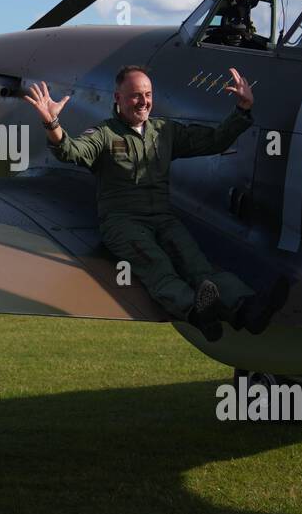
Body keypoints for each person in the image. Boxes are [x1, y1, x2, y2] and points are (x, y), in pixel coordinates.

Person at [24, 65, 287, 342]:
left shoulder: (164, 132)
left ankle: (247, 309)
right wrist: (52, 124)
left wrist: (242, 110)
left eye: (148, 94)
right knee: (159, 267)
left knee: (197, 265)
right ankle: (196, 312)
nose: (144, 101)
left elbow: (214, 141)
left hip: (163, 218)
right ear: (118, 98)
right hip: (123, 223)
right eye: (136, 95)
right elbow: (70, 152)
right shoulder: (104, 134)